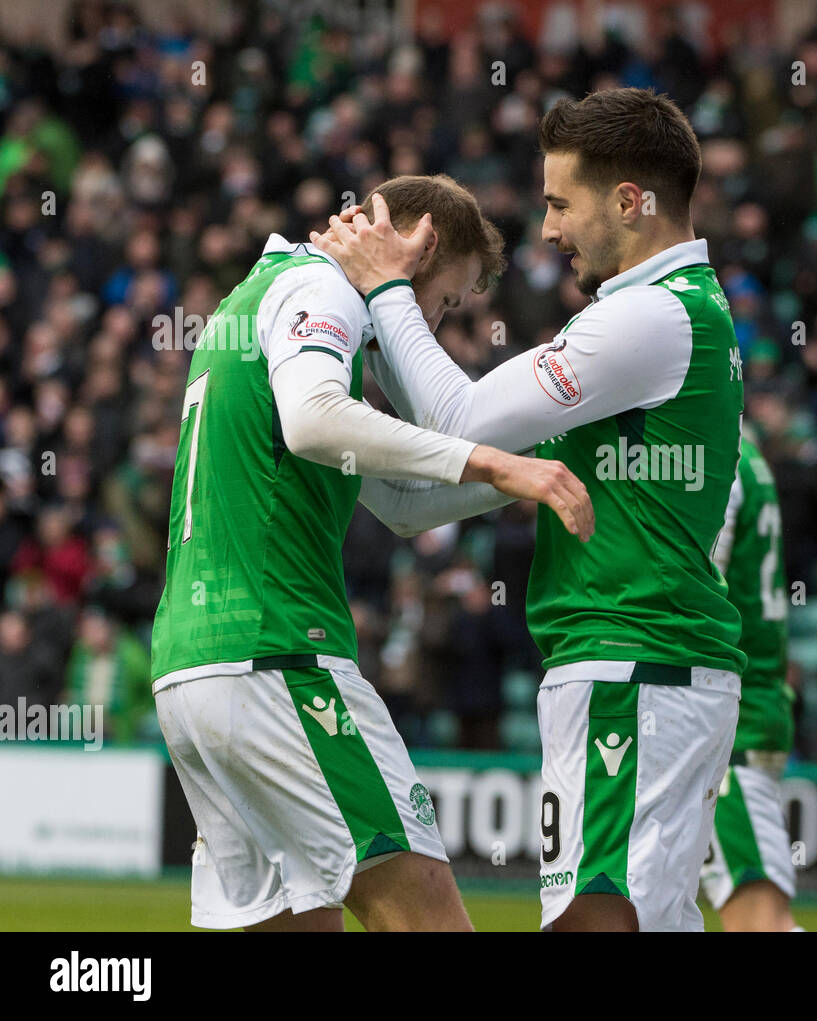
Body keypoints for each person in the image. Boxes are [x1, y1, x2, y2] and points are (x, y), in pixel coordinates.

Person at [313, 87, 746, 931]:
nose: (548, 229)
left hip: (636, 663)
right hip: (634, 668)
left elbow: (461, 420)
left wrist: (385, 287)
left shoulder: (650, 317)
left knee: (597, 922)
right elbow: (414, 497)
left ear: (629, 201)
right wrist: (323, 409)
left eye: (559, 202)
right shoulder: (656, 329)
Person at [150, 173, 594, 933]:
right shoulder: (319, 291)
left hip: (193, 666)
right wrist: (494, 463)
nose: (433, 320)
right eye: (445, 299)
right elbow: (316, 421)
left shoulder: (255, 296)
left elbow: (395, 504)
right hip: (279, 656)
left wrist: (533, 474)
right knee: (430, 921)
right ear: (412, 248)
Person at [700, 429, 799, 931]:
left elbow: (699, 586)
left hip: (728, 718)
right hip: (755, 703)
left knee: (760, 924)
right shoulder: (751, 456)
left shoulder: (715, 456)